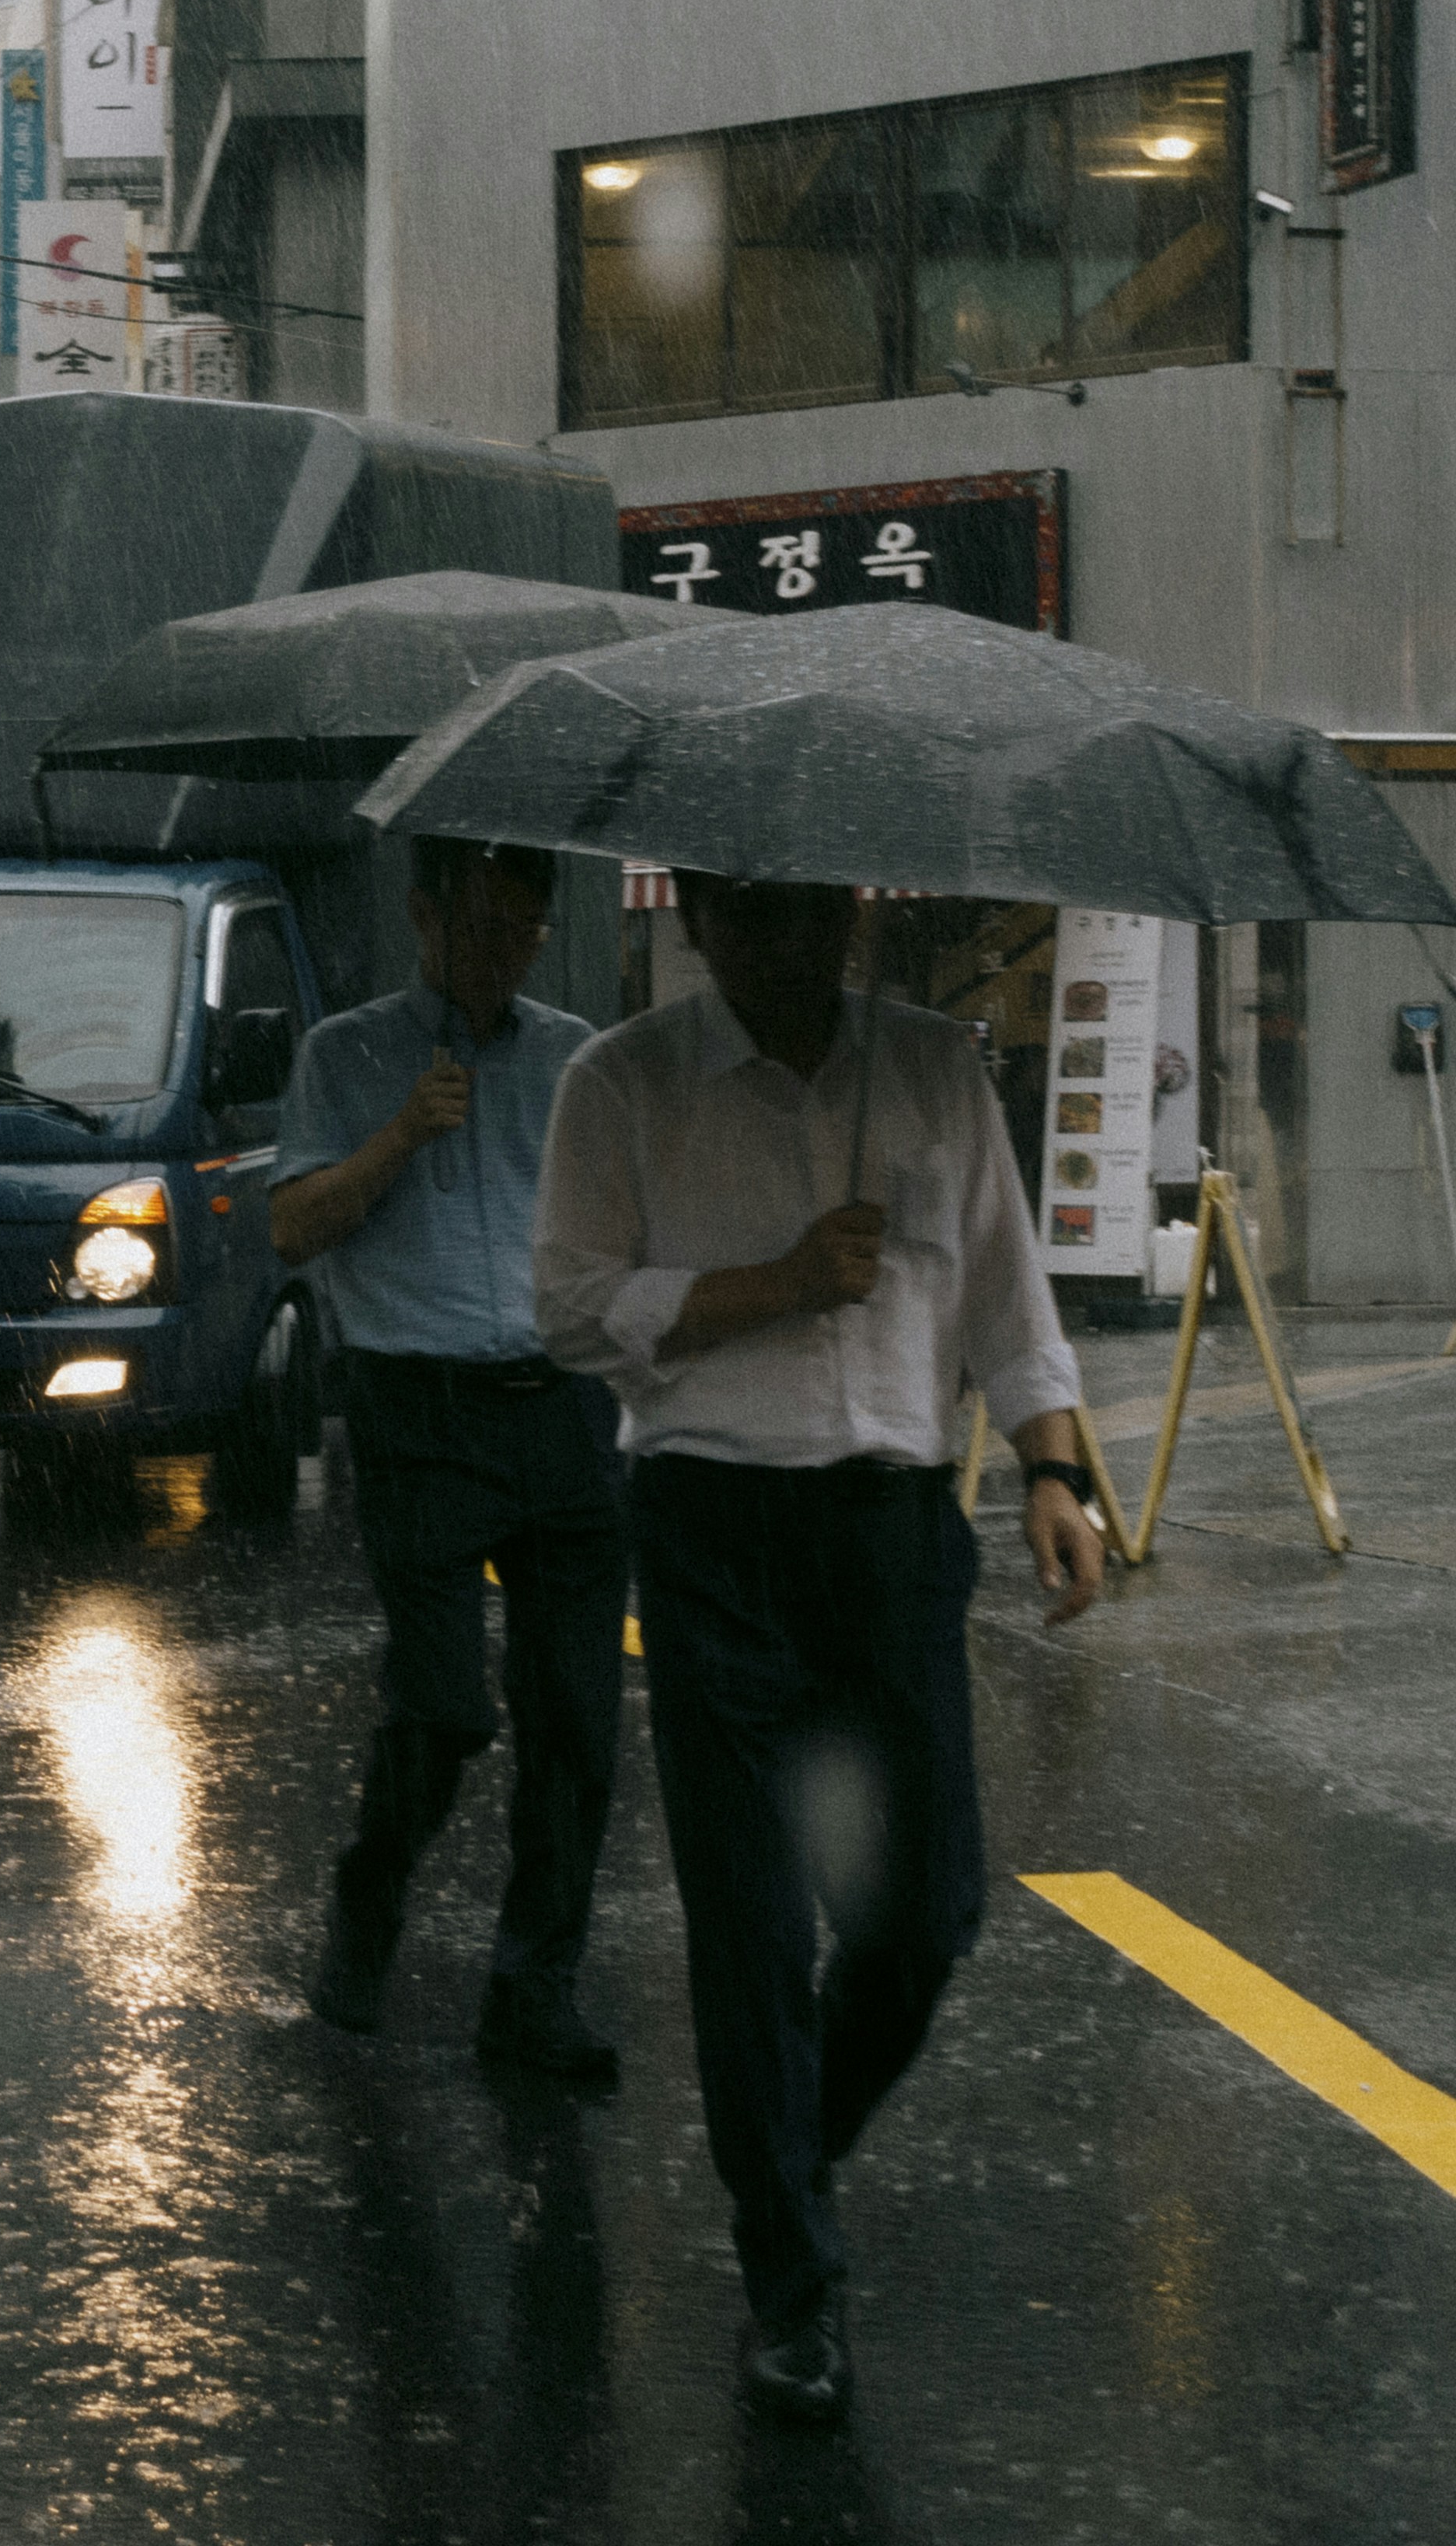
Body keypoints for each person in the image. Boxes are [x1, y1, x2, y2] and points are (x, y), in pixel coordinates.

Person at [536, 870, 1106, 2428]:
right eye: (747, 917)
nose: (783, 944)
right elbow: (568, 1311)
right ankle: (791, 2285)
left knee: (922, 1914)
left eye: (809, 915)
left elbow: (1002, 1297)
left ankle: (789, 2156)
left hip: (892, 1536)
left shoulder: (928, 1070)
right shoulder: (621, 1084)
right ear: (702, 922)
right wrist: (768, 1286)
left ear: (851, 915)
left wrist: (1053, 1471)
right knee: (746, 1924)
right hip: (711, 1529)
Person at [273, 840, 631, 2083]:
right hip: (417, 1413)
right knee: (445, 1706)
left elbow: (617, 1223)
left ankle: (535, 1989)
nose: (504, 952)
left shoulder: (575, 1057)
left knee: (578, 1720)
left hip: (562, 1409)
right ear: (424, 918)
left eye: (526, 930)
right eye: (483, 926)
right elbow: (290, 1226)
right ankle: (368, 1900)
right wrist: (400, 1137)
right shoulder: (348, 1054)